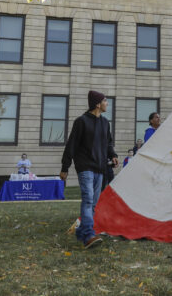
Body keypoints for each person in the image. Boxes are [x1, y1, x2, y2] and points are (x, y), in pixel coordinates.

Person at [60, 90, 117, 249]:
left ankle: (81, 232)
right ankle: (88, 236)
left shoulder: (105, 123)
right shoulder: (81, 121)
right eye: (105, 101)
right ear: (97, 104)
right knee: (88, 199)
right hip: (85, 167)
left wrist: (112, 155)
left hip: (100, 168)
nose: (107, 103)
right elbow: (71, 144)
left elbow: (108, 143)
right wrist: (65, 167)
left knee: (94, 204)